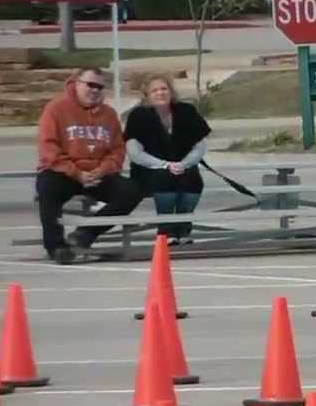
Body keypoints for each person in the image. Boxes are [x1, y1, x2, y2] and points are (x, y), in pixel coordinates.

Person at [34, 67, 144, 264]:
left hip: (98, 173)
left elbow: (117, 150)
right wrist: (76, 173)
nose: (95, 90)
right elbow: (49, 148)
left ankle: (85, 234)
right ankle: (56, 247)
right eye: (91, 85)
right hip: (65, 172)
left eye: (100, 87)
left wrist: (102, 170)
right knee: (47, 188)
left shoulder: (109, 114)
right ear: (76, 83)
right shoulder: (55, 109)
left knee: (132, 191)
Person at [124, 75, 212, 245]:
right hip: (149, 169)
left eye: (164, 88)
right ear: (147, 95)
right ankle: (166, 229)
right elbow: (134, 153)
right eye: (154, 90)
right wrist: (164, 165)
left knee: (193, 179)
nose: (160, 93)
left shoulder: (186, 111)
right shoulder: (138, 115)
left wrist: (184, 164)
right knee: (164, 177)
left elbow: (199, 146)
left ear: (171, 91)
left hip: (182, 166)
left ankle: (183, 227)